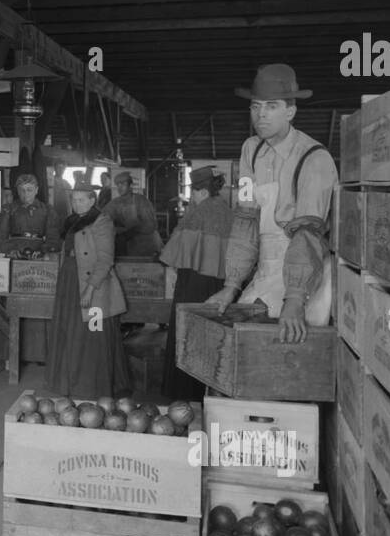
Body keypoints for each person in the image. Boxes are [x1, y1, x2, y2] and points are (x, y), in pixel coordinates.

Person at [207, 63, 337, 344]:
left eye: (272, 106)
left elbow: (309, 234)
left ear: (290, 111)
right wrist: (231, 285)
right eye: (255, 106)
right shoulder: (250, 151)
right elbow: (246, 220)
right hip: (265, 266)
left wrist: (295, 299)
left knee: (290, 351)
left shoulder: (314, 158)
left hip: (304, 272)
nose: (261, 115)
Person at [47, 177, 130, 398]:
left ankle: (94, 387)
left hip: (93, 287)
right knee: (71, 333)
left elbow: (105, 260)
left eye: (82, 200)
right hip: (69, 282)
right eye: (74, 200)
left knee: (94, 333)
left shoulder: (101, 222)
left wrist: (90, 289)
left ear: (93, 200)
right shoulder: (72, 220)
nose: (77, 204)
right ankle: (70, 384)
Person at [158, 166, 233, 400]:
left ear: (199, 192)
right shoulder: (225, 209)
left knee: (187, 331)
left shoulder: (198, 212)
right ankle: (209, 392)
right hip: (220, 285)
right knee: (212, 337)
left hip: (193, 282)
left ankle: (183, 392)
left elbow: (174, 251)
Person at [0, 172, 61, 256]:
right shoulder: (8, 209)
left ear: (36, 190)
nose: (25, 194)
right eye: (21, 190)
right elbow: (0, 237)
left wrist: (43, 251)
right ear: (17, 191)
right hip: (14, 253)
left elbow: (53, 237)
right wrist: (10, 250)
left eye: (29, 190)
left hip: (39, 254)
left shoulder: (47, 210)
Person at [104, 171, 162, 258]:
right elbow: (103, 217)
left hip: (149, 245)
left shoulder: (141, 200)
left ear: (130, 186)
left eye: (123, 184)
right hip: (132, 246)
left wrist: (129, 232)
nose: (119, 187)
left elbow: (150, 225)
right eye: (118, 184)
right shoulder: (115, 203)